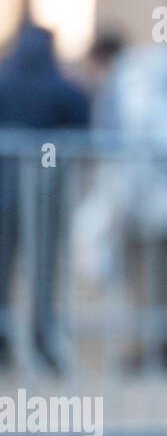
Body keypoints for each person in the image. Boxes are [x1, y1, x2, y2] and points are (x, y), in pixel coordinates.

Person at [0, 18, 90, 373]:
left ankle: (9, 337)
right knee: (43, 266)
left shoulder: (6, 82)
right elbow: (81, 117)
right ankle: (41, 337)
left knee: (7, 264)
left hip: (8, 186)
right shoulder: (60, 87)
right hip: (47, 187)